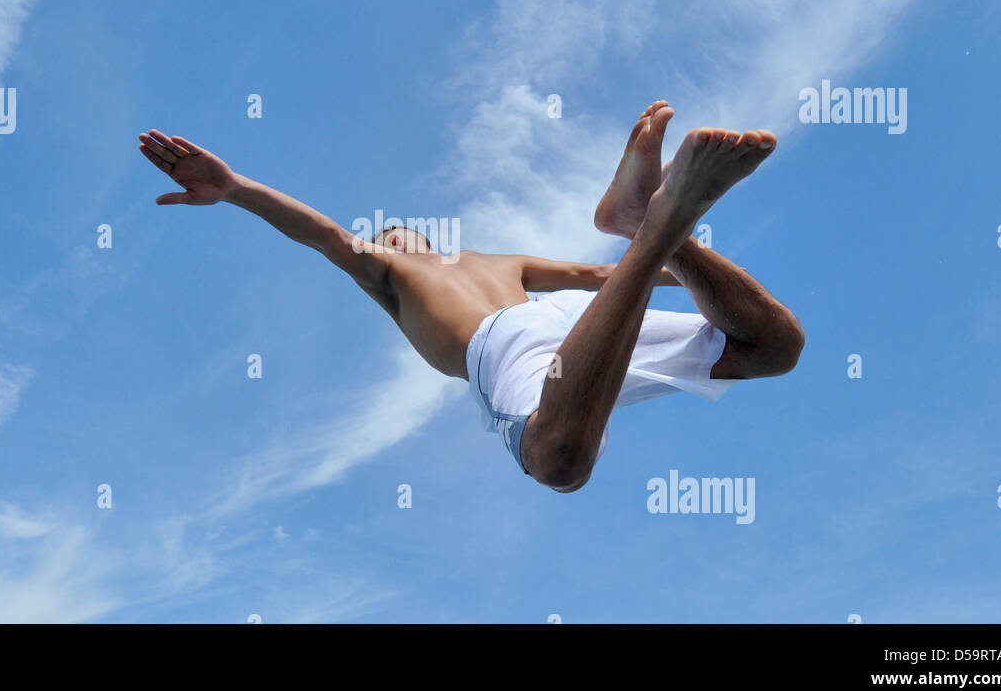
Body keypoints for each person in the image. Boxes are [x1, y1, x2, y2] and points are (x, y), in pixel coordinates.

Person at [137, 100, 803, 493]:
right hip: (546, 339)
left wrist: (689, 267)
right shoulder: (395, 272)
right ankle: (648, 224)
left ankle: (653, 226)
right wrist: (238, 189)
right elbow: (323, 235)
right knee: (771, 352)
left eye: (394, 232)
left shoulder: (466, 261)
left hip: (531, 334)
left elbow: (600, 278)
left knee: (561, 461)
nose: (387, 238)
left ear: (417, 238)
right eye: (384, 236)